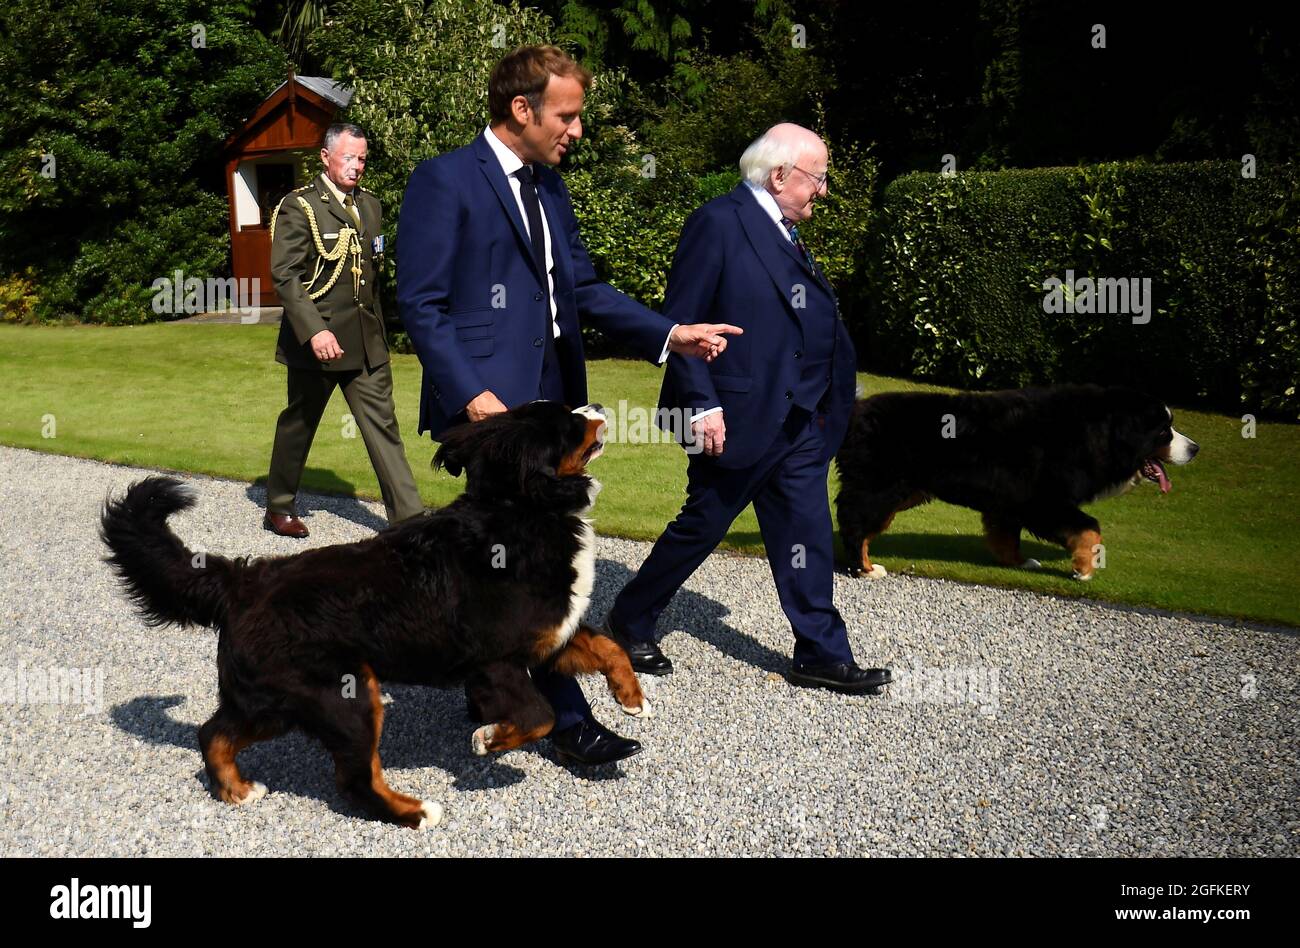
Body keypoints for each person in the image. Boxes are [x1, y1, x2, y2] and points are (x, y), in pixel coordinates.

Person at [396, 45, 740, 765]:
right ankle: (567, 716)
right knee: (527, 568)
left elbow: (582, 290)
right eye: (568, 115)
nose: (576, 130)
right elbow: (421, 304)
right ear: (521, 109)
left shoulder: (551, 188)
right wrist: (475, 397)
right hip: (490, 420)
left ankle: (493, 687)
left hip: (550, 411)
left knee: (517, 564)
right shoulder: (446, 180)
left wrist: (672, 333)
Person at [603, 124, 893, 695]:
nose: (824, 190)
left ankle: (820, 652)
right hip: (733, 416)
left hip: (801, 420)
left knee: (805, 532)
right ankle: (629, 620)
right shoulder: (718, 222)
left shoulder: (784, 230)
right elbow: (683, 321)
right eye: (820, 177)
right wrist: (702, 403)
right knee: (703, 524)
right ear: (780, 174)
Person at [263, 123, 425, 538]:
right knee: (300, 423)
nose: (356, 167)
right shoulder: (301, 207)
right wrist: (315, 331)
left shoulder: (370, 206)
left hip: (366, 342)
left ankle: (410, 524)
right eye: (348, 157)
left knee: (383, 428)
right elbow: (286, 275)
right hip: (318, 343)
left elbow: (369, 276)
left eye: (362, 159)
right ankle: (279, 506)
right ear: (325, 157)